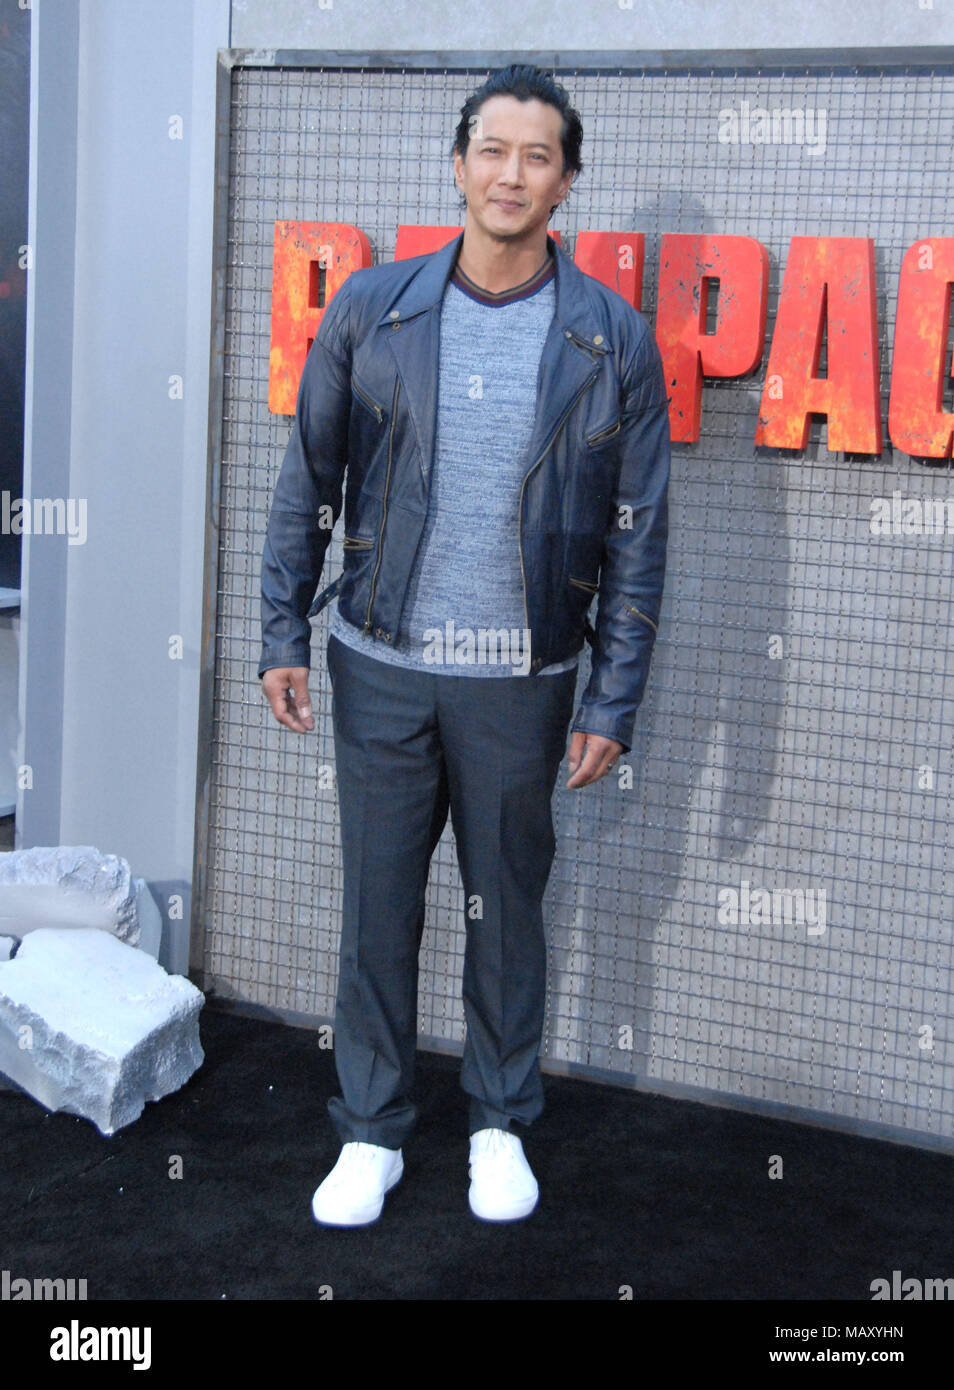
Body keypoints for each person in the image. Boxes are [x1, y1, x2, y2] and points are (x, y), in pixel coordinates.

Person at [258, 63, 671, 1226]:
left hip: (524, 684)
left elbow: (641, 543)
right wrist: (282, 623)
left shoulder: (611, 341)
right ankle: (372, 1131)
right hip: (380, 665)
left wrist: (611, 699)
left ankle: (498, 1121)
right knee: (378, 906)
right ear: (459, 164)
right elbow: (310, 484)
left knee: (509, 911)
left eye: (538, 155)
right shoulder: (375, 309)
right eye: (494, 149)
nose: (512, 173)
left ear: (567, 182)